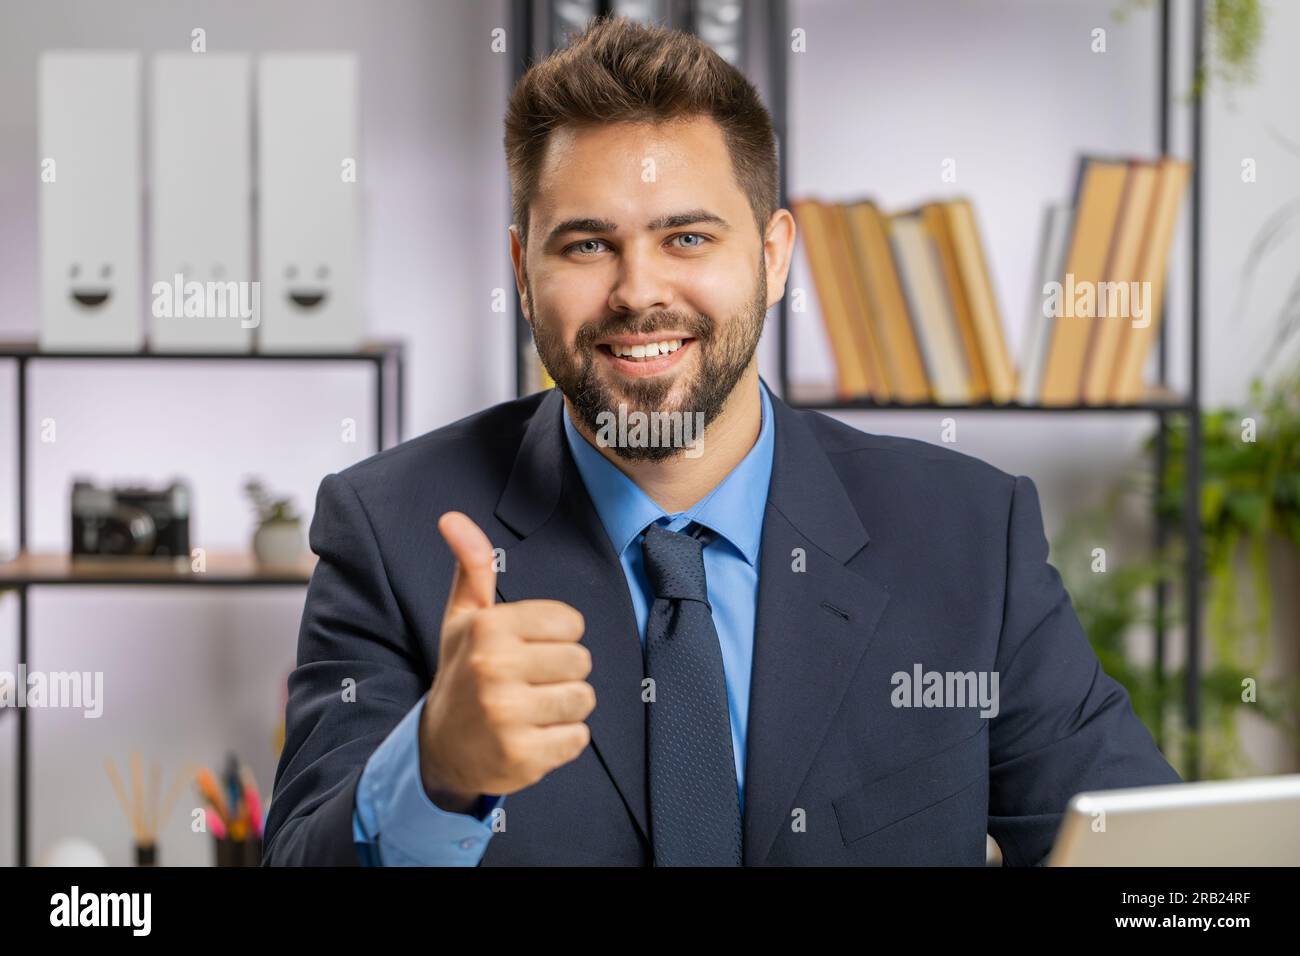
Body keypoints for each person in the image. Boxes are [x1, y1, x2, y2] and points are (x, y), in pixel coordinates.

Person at [263, 15, 1180, 867]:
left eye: (688, 238)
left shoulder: (969, 533)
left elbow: (1167, 877)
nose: (637, 291)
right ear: (522, 270)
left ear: (774, 257)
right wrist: (435, 772)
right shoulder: (391, 533)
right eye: (586, 245)